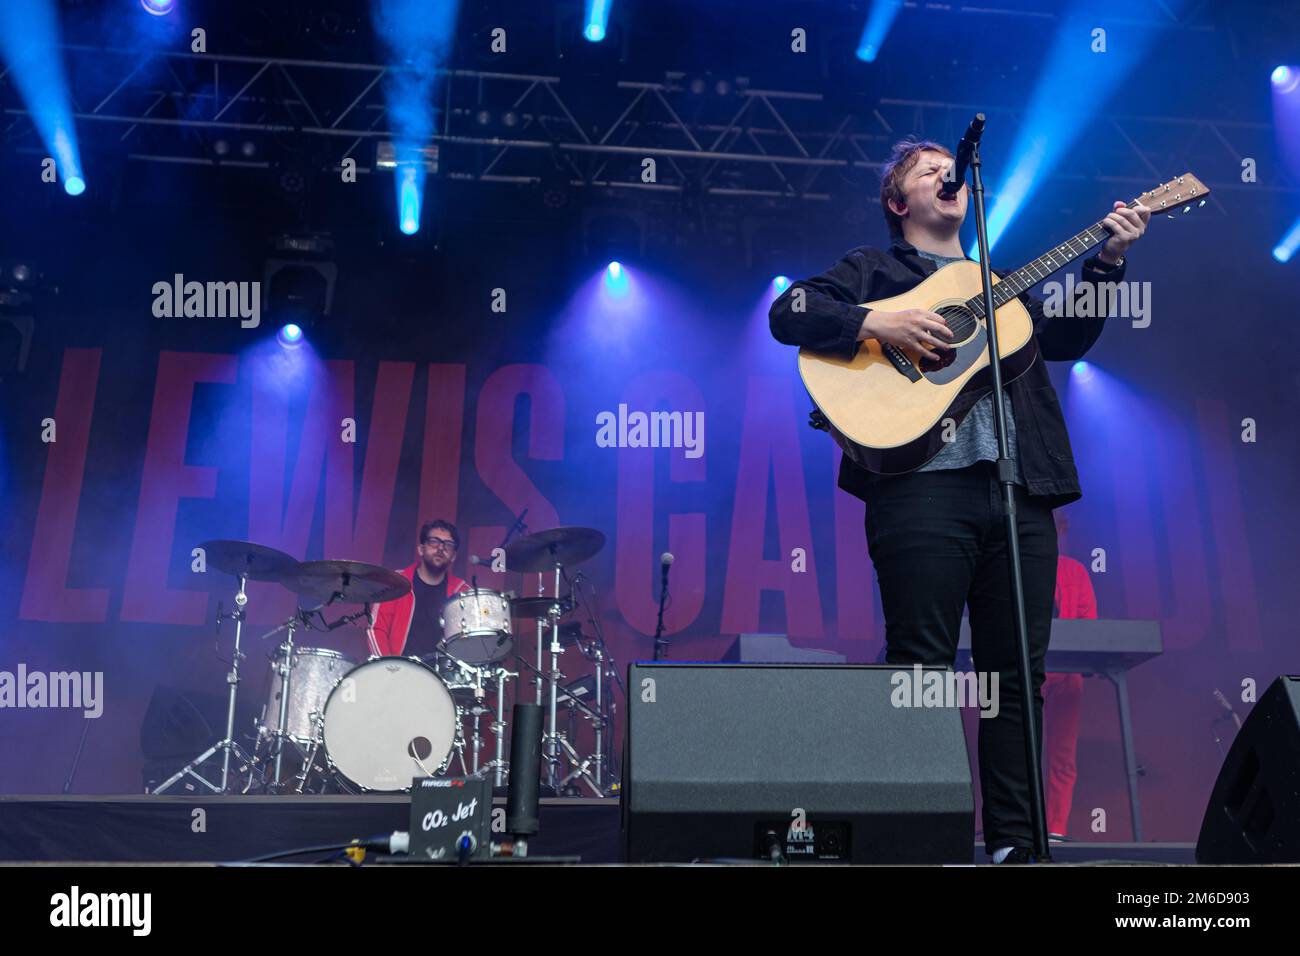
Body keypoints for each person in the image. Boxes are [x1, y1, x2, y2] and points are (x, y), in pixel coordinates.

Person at [769, 136, 1148, 863]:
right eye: (926, 168)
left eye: (953, 168)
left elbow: (1065, 339)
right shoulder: (872, 269)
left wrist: (1108, 262)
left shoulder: (998, 280)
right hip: (920, 490)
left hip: (1019, 492)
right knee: (921, 670)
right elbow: (791, 311)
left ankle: (1016, 847)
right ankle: (917, 842)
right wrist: (872, 320)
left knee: (1016, 678)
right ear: (898, 199)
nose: (948, 173)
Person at [1043, 510, 1097, 841]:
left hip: (1065, 677)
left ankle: (1055, 830)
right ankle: (1020, 827)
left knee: (1063, 756)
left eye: (1058, 528)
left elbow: (1088, 630)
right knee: (1017, 755)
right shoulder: (1013, 566)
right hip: (1024, 675)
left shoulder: (1075, 571)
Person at [367, 520, 469, 658]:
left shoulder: (463, 593)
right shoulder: (395, 583)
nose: (440, 548)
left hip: (444, 675)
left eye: (448, 545)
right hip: (399, 671)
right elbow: (377, 630)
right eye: (434, 541)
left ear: (453, 556)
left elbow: (470, 642)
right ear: (421, 549)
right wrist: (388, 668)